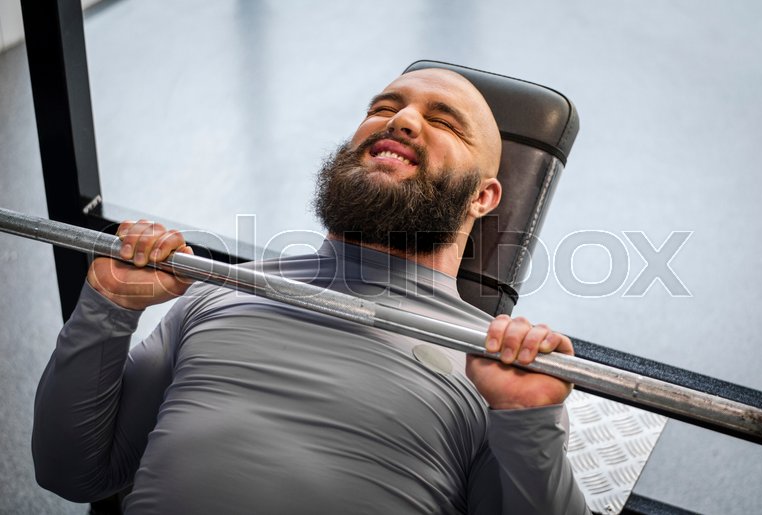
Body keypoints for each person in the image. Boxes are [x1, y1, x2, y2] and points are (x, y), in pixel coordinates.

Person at [32, 68, 590, 514]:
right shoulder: (219, 295)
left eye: (445, 121)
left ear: (484, 197)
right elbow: (73, 472)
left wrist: (528, 422)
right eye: (383, 107)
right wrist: (108, 307)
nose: (403, 120)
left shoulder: (489, 372)